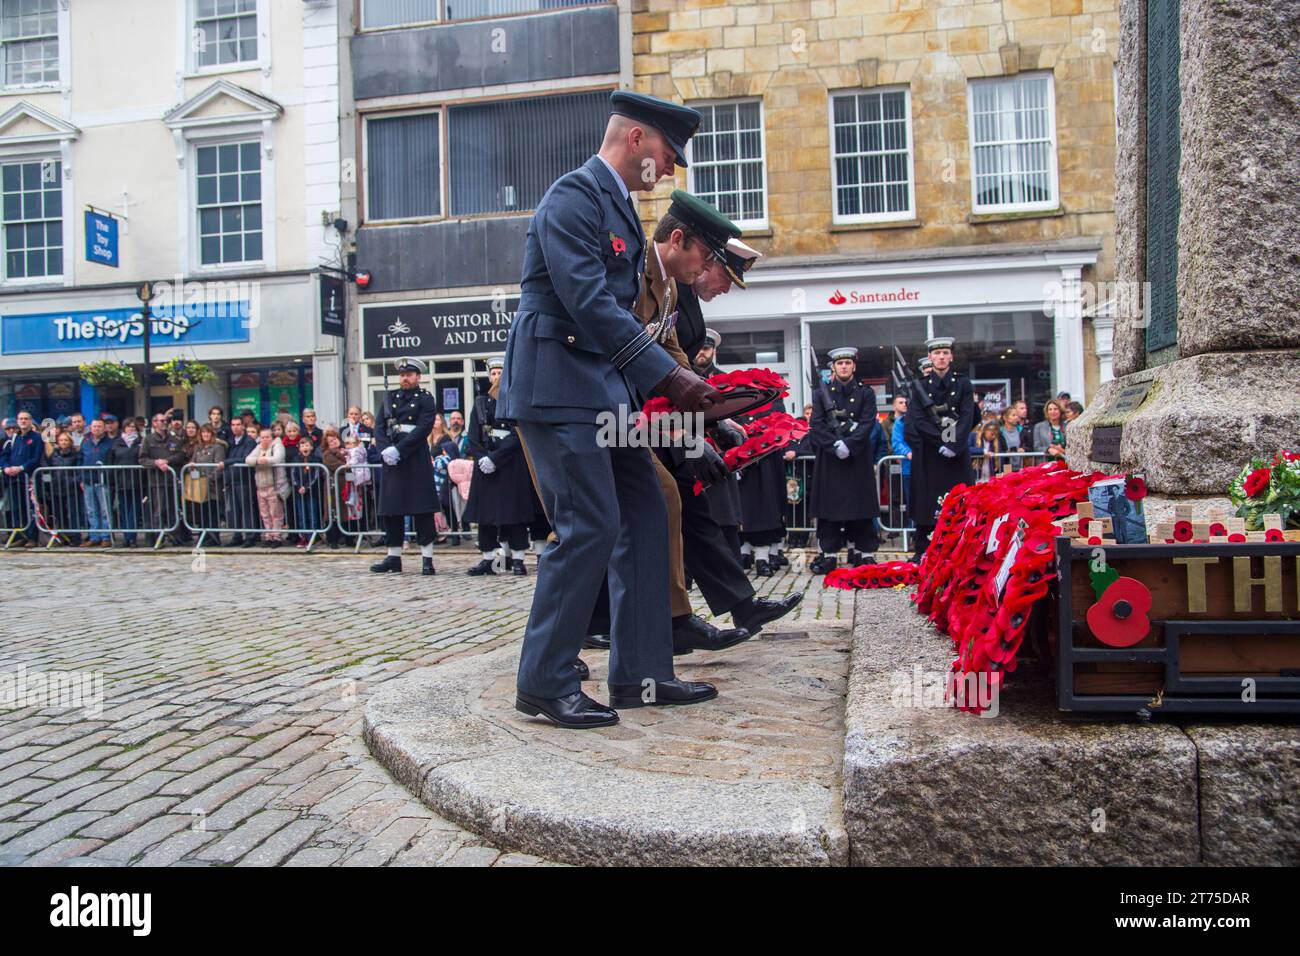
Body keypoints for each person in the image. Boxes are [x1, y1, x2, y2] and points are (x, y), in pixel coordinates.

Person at [497, 90, 721, 728]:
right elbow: (589, 303)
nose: (672, 169)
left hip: (602, 390)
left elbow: (624, 318)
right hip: (558, 387)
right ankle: (544, 680)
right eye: (668, 154)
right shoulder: (571, 197)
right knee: (588, 525)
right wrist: (671, 379)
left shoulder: (618, 208)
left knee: (647, 513)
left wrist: (684, 385)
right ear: (635, 142)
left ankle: (641, 674)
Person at [632, 192, 798, 645]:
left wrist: (712, 421)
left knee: (685, 508)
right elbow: (648, 366)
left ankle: (724, 608)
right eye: (717, 270)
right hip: (635, 418)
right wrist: (693, 434)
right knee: (634, 513)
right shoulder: (654, 278)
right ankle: (637, 624)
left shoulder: (675, 291)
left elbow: (677, 362)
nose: (719, 284)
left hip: (661, 418)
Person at [807, 347, 888, 573]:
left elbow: (867, 422)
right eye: (840, 363)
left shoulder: (865, 393)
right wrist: (834, 445)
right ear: (833, 367)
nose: (844, 366)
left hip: (856, 459)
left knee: (860, 508)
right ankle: (829, 554)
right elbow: (817, 425)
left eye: (848, 363)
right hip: (831, 460)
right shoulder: (821, 393)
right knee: (830, 510)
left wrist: (849, 445)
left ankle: (865, 553)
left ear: (854, 366)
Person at [903, 336, 977, 562]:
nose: (941, 357)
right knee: (927, 502)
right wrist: (942, 442)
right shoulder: (921, 387)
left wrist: (954, 443)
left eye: (945, 353)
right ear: (930, 357)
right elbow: (918, 420)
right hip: (930, 453)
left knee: (959, 500)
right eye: (937, 354)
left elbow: (968, 415)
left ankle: (960, 546)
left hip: (957, 453)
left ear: (951, 356)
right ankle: (924, 548)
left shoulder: (963, 383)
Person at [465, 357, 535, 576]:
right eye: (493, 374)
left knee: (514, 516)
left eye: (500, 373)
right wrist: (482, 458)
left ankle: (518, 560)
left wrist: (496, 458)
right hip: (485, 467)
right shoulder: (480, 404)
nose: (496, 378)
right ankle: (488, 559)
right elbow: (473, 437)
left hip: (510, 465)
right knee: (486, 516)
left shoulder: (515, 400)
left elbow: (518, 435)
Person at [370, 357, 440, 575]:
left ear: (418, 377)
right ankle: (393, 556)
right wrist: (384, 450)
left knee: (422, 510)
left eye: (409, 375)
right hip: (393, 461)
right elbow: (379, 427)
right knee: (392, 510)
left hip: (415, 459)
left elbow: (423, 429)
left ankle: (427, 558)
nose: (405, 378)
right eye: (402, 375)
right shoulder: (390, 398)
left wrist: (400, 449)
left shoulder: (425, 399)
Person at [138, 411, 188, 546]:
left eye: (166, 421)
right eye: (161, 421)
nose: (164, 423)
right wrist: (156, 463)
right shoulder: (148, 440)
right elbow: (142, 459)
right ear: (154, 423)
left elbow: (180, 455)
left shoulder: (174, 439)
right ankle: (158, 538)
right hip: (156, 481)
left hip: (171, 480)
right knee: (159, 511)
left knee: (174, 510)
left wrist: (167, 461)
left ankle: (175, 538)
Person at [221, 416, 260, 546]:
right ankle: (236, 535)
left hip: (245, 480)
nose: (235, 427)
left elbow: (245, 458)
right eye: (233, 425)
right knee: (234, 510)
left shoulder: (249, 441)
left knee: (247, 509)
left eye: (238, 424)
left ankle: (250, 536)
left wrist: (227, 463)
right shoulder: (230, 441)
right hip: (232, 479)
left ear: (243, 426)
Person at [187, 423, 228, 545]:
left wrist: (209, 479)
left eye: (208, 432)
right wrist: (192, 469)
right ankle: (203, 536)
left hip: (212, 486)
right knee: (202, 512)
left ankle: (213, 537)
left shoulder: (217, 447)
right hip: (200, 487)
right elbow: (192, 463)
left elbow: (218, 466)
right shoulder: (198, 448)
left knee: (212, 512)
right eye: (203, 432)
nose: (205, 434)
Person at [246, 426, 287, 547]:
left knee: (276, 514)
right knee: (265, 514)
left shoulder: (277, 446)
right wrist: (258, 460)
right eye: (263, 437)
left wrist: (265, 460)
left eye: (267, 437)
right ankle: (268, 536)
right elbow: (248, 459)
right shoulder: (259, 447)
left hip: (274, 485)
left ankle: (277, 537)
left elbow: (277, 458)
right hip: (261, 485)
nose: (265, 439)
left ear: (272, 437)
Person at [107, 417, 143, 548]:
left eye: (133, 427)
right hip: (121, 481)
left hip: (137, 481)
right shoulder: (117, 443)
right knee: (123, 510)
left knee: (134, 510)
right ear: (124, 428)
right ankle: (125, 537)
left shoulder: (141, 442)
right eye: (129, 426)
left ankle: (132, 537)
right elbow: (111, 462)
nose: (131, 429)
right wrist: (111, 481)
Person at [78, 417, 114, 547]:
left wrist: (108, 476)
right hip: (88, 480)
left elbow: (112, 461)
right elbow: (80, 459)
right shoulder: (86, 442)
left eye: (99, 426)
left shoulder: (110, 443)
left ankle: (106, 536)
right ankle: (94, 536)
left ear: (104, 428)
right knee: (91, 510)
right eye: (94, 426)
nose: (96, 429)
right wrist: (80, 478)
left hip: (103, 481)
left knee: (105, 511)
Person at [44, 431, 84, 545]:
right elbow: (47, 466)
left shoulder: (75, 454)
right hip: (56, 487)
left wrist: (74, 480)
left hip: (71, 488)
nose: (64, 442)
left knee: (73, 513)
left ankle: (75, 537)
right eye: (61, 440)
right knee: (59, 513)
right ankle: (64, 536)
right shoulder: (54, 454)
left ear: (70, 442)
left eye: (66, 440)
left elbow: (78, 468)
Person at [289, 434, 323, 547]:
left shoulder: (316, 460)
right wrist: (298, 486)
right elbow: (293, 475)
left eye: (307, 445)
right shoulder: (295, 460)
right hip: (299, 493)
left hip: (312, 492)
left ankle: (313, 536)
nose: (305, 448)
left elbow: (316, 475)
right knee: (301, 516)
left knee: (312, 515)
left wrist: (307, 487)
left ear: (311, 447)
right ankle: (303, 537)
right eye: (302, 445)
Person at [320, 428, 347, 549]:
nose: (334, 442)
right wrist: (345, 463)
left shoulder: (344, 451)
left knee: (343, 512)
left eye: (335, 439)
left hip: (343, 485)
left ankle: (345, 537)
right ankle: (333, 539)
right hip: (332, 486)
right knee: (332, 512)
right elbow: (337, 466)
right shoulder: (327, 454)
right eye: (330, 441)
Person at [889, 392, 911, 530]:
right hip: (909, 468)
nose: (904, 406)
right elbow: (896, 443)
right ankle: (913, 533)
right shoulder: (900, 422)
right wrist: (907, 453)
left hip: (928, 467)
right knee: (909, 501)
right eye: (901, 403)